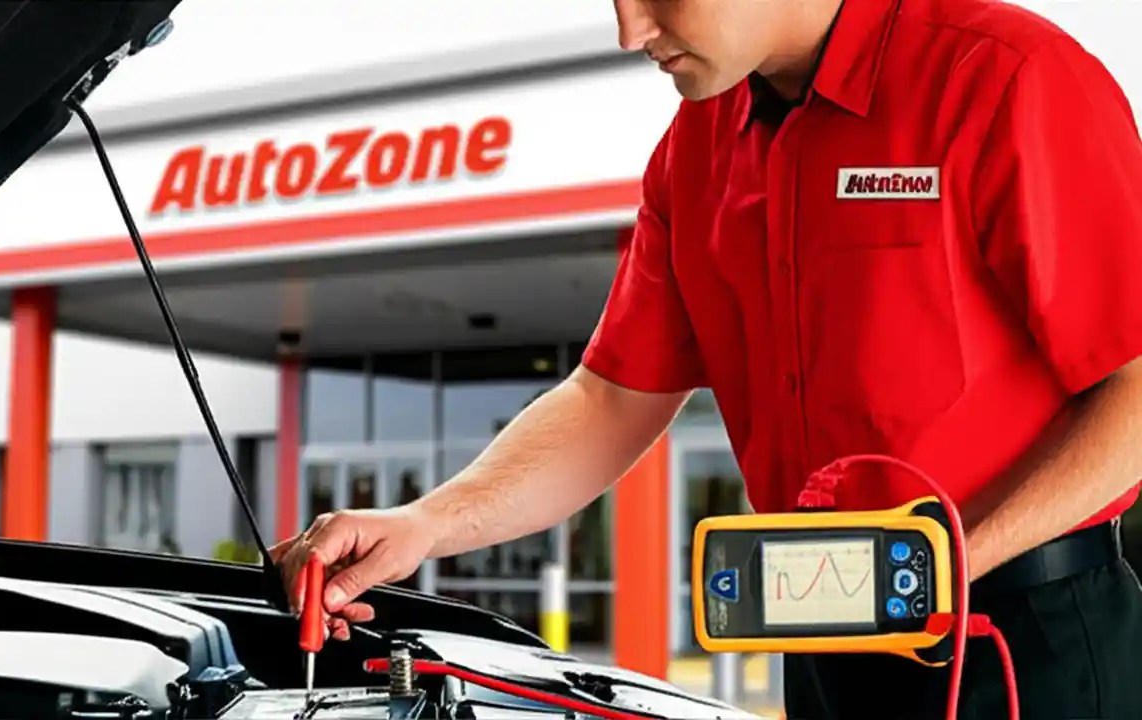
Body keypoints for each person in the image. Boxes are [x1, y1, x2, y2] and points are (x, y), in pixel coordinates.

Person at [273, 0, 1142, 717]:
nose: (629, 30)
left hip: (1030, 644)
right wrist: (426, 525)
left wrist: (954, 568)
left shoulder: (1006, 81)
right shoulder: (696, 147)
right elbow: (611, 397)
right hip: (825, 643)